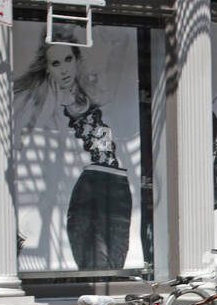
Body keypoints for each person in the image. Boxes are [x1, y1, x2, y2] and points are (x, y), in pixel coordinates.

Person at [13, 28, 130, 271]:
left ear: (77, 60)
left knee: (115, 264)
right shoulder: (46, 103)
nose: (64, 69)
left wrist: (104, 33)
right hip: (84, 188)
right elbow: (25, 147)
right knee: (96, 266)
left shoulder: (93, 90)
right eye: (56, 63)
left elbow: (121, 50)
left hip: (117, 185)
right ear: (47, 68)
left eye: (68, 59)